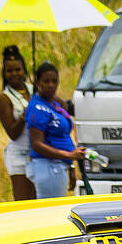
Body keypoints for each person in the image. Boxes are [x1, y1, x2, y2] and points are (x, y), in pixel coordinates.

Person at [25, 62, 83, 199]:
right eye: (46, 81)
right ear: (38, 82)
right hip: (48, 167)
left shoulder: (54, 105)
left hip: (59, 166)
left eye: (54, 81)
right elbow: (37, 144)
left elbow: (62, 137)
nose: (51, 85)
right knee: (48, 212)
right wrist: (68, 155)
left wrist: (70, 165)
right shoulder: (38, 108)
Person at [0, 45, 36, 201]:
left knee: (40, 203)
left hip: (39, 154)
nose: (14, 74)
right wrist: (24, 115)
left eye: (18, 70)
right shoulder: (5, 98)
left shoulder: (35, 90)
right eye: (10, 71)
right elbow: (12, 133)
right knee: (24, 204)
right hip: (19, 156)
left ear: (24, 70)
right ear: (4, 74)